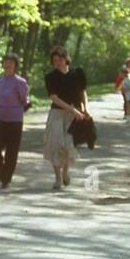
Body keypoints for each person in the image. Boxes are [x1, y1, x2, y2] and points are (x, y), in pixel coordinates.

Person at [44, 46, 88, 191]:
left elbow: (83, 92)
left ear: (66, 58)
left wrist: (85, 108)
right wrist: (72, 109)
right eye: (55, 60)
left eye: (60, 59)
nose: (58, 62)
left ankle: (66, 171)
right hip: (57, 114)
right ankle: (57, 177)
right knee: (56, 145)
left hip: (74, 115)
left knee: (69, 146)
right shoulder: (51, 77)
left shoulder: (78, 73)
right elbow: (54, 98)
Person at [0, 54, 30, 188]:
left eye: (11, 63)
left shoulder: (20, 82)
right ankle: (0, 172)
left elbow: (24, 100)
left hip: (14, 120)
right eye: (6, 62)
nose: (8, 65)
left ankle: (6, 178)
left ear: (15, 66)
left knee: (12, 151)